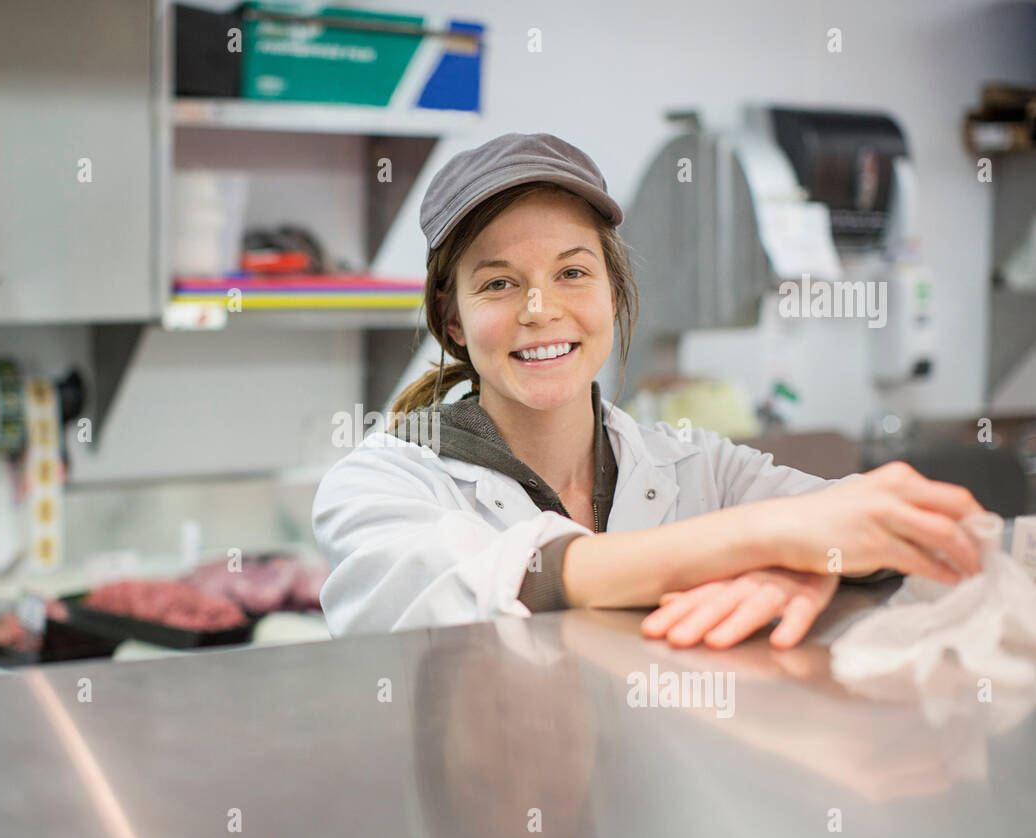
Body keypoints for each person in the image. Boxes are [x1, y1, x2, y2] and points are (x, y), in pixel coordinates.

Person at [311, 132, 983, 647]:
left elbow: (891, 532)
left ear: (613, 292)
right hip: (478, 807)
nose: (540, 308)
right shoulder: (378, 485)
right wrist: (768, 537)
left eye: (572, 273)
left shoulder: (696, 466)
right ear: (452, 317)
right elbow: (522, 577)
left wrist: (800, 565)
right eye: (498, 282)